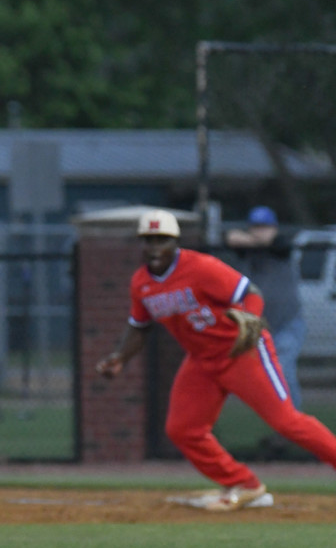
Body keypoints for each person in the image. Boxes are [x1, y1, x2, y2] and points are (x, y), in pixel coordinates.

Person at [95, 209, 336, 511]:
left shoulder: (201, 267)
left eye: (162, 240)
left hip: (242, 351)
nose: (155, 247)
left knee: (287, 422)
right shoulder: (141, 283)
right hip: (202, 361)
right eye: (148, 240)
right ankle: (245, 485)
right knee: (183, 429)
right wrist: (119, 357)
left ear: (175, 242)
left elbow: (251, 292)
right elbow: (138, 327)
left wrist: (250, 317)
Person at [224, 206, 306, 408]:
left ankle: (296, 427)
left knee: (283, 371)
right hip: (260, 328)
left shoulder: (282, 246)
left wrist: (256, 241)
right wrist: (253, 243)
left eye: (265, 227)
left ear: (275, 228)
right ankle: (285, 429)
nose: (260, 231)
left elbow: (277, 244)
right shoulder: (248, 252)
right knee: (266, 379)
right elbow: (231, 237)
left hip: (288, 324)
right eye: (256, 227)